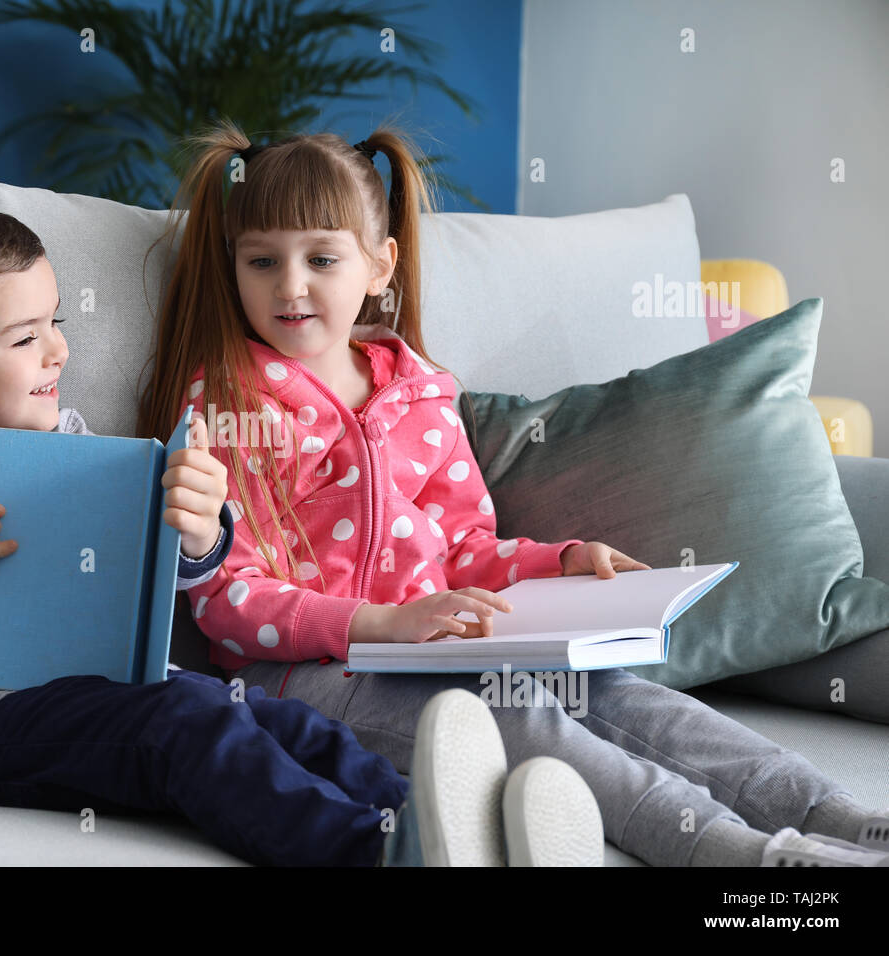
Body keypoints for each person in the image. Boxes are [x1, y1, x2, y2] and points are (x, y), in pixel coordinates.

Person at [136, 121, 889, 867]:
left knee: (621, 695)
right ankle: (747, 855)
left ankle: (843, 818)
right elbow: (228, 601)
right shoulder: (230, 406)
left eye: (321, 258)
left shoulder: (421, 396)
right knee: (521, 714)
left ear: (380, 266)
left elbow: (465, 549)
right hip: (307, 677)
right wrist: (383, 622)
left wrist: (557, 562)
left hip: (437, 649)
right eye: (262, 260)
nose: (290, 285)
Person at [0, 197, 576, 867]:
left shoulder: (71, 446)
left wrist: (199, 534)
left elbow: (168, 583)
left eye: (54, 322)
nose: (59, 349)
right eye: (25, 338)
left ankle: (444, 825)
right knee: (183, 730)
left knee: (278, 719)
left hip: (108, 680)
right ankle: (380, 854)